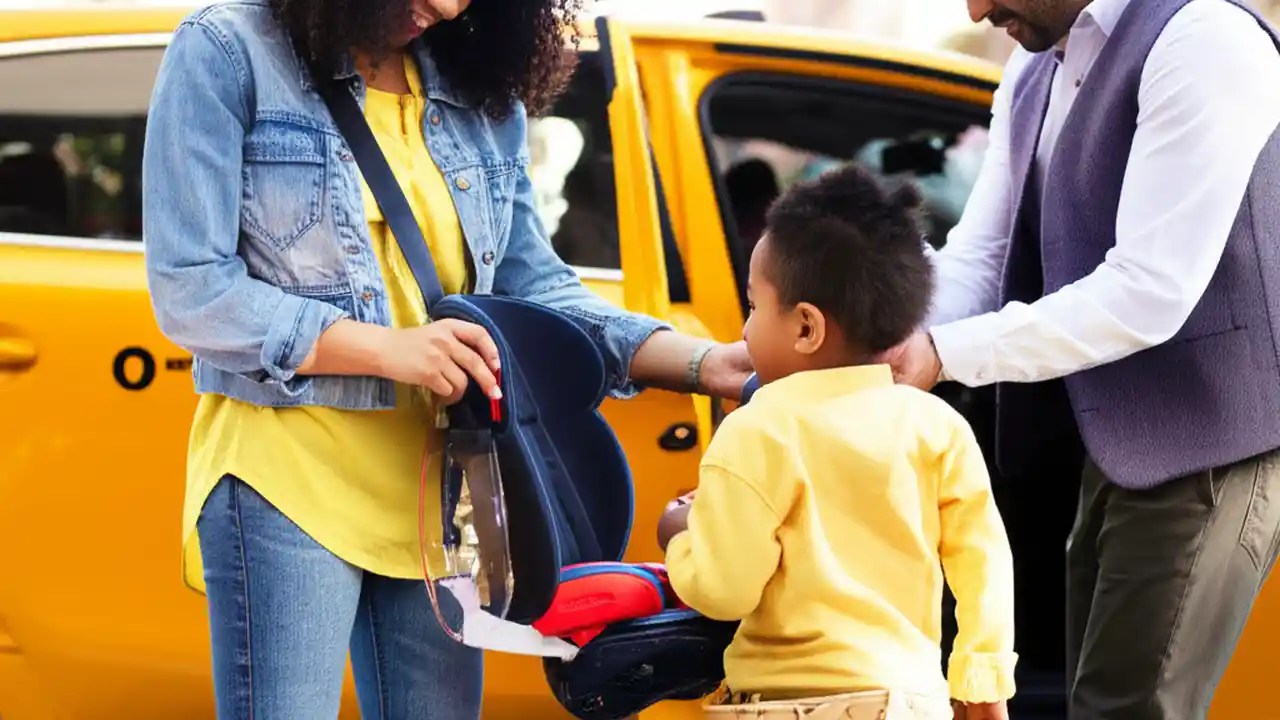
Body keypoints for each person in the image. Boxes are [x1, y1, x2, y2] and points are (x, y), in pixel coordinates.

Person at [141, 1, 752, 717]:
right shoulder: (229, 49)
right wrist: (390, 351)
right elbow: (192, 289)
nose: (442, 9)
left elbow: (536, 290)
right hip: (290, 475)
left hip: (458, 489)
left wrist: (704, 364)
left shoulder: (476, 83)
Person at [885, 1, 1280, 717]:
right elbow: (986, 254)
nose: (976, 9)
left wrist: (943, 352)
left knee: (1125, 707)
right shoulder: (1034, 63)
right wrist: (879, 338)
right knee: (1091, 700)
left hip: (1214, 441)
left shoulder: (1205, 39)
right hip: (1112, 441)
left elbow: (1151, 289)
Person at [657, 164, 1017, 720]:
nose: (746, 329)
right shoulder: (938, 428)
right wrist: (982, 680)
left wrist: (682, 534)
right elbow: (985, 566)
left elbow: (724, 588)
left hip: (788, 706)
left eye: (753, 307)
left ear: (806, 327)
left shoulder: (760, 427)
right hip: (911, 703)